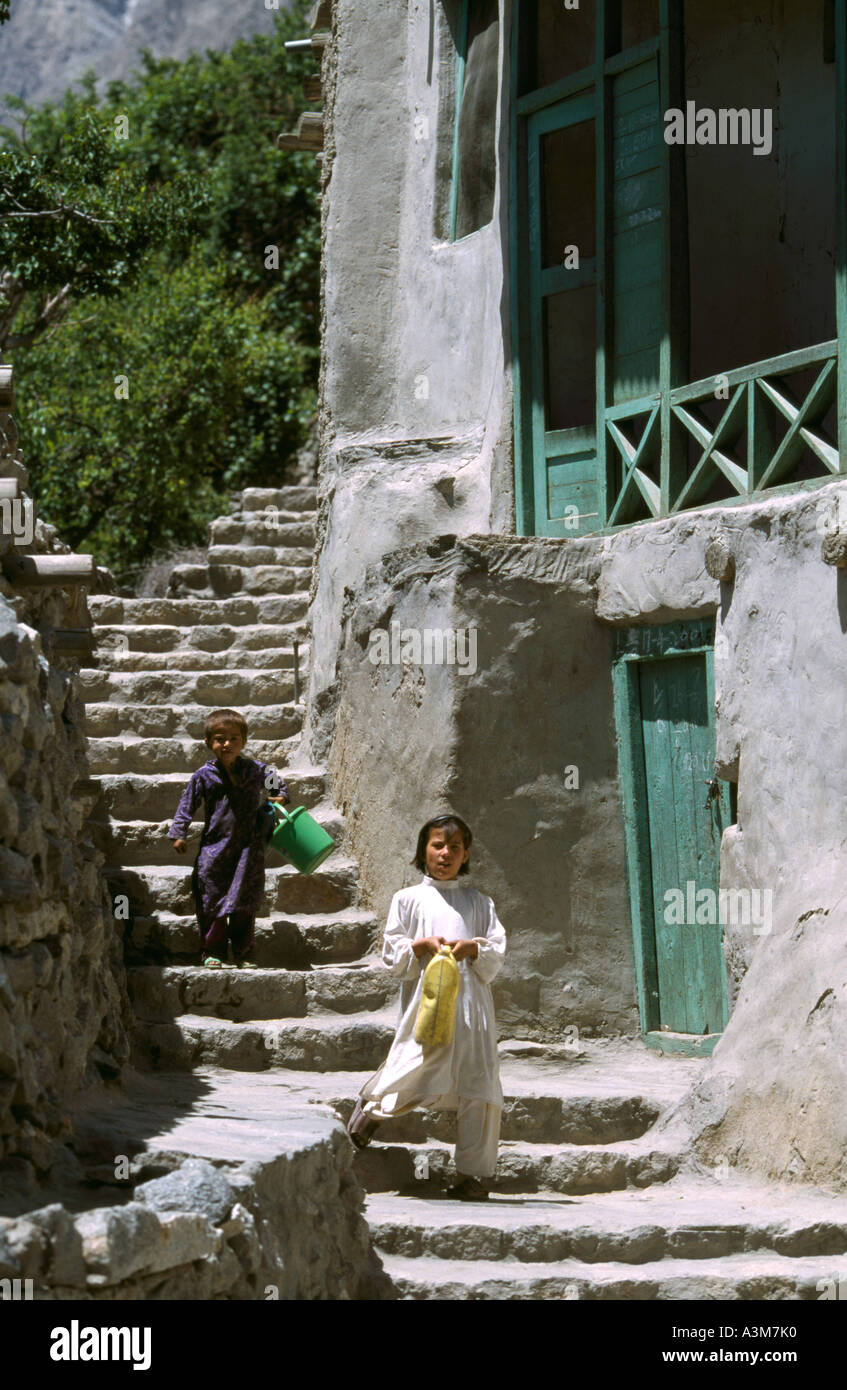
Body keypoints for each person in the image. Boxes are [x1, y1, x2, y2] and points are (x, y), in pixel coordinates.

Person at [347, 814, 506, 1201]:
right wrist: (420, 946)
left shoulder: (479, 902)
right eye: (438, 845)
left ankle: (472, 1175)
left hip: (472, 1007)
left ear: (465, 854)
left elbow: (496, 950)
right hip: (427, 1004)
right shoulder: (408, 899)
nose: (445, 854)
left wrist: (475, 949)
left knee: (479, 1084)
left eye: (454, 847)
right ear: (424, 851)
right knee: (414, 1065)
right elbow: (393, 955)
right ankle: (371, 1111)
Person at [168, 708, 289, 969]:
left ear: (243, 742)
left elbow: (276, 784)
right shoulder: (203, 775)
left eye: (234, 738)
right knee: (213, 900)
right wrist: (179, 833)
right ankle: (213, 951)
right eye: (220, 738)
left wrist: (279, 795)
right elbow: (187, 805)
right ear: (208, 743)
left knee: (245, 902)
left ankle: (243, 953)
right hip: (215, 849)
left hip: (249, 849)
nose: (227, 744)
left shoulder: (256, 770)